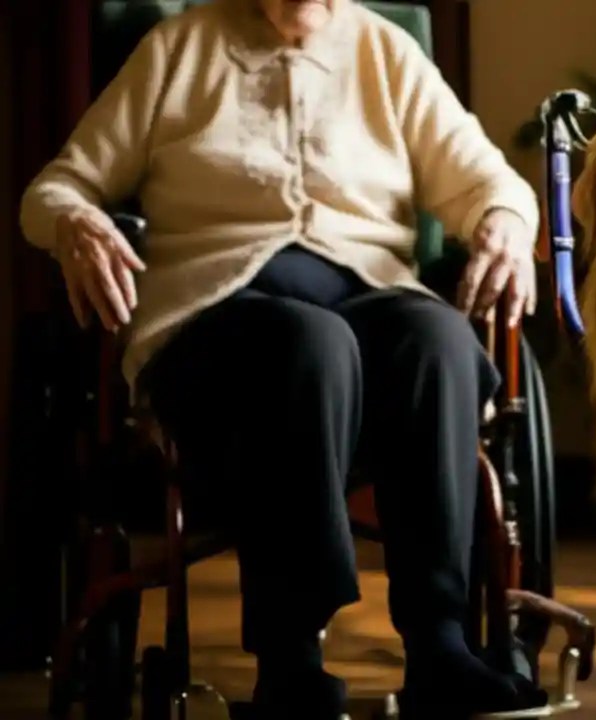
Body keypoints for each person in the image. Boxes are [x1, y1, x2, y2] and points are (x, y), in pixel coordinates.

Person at [20, 0, 549, 717]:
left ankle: (441, 647)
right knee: (310, 343)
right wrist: (77, 221)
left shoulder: (385, 53)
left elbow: (489, 182)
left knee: (440, 340)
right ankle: (289, 656)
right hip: (215, 325)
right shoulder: (178, 50)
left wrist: (507, 224)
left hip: (368, 304)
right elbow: (57, 186)